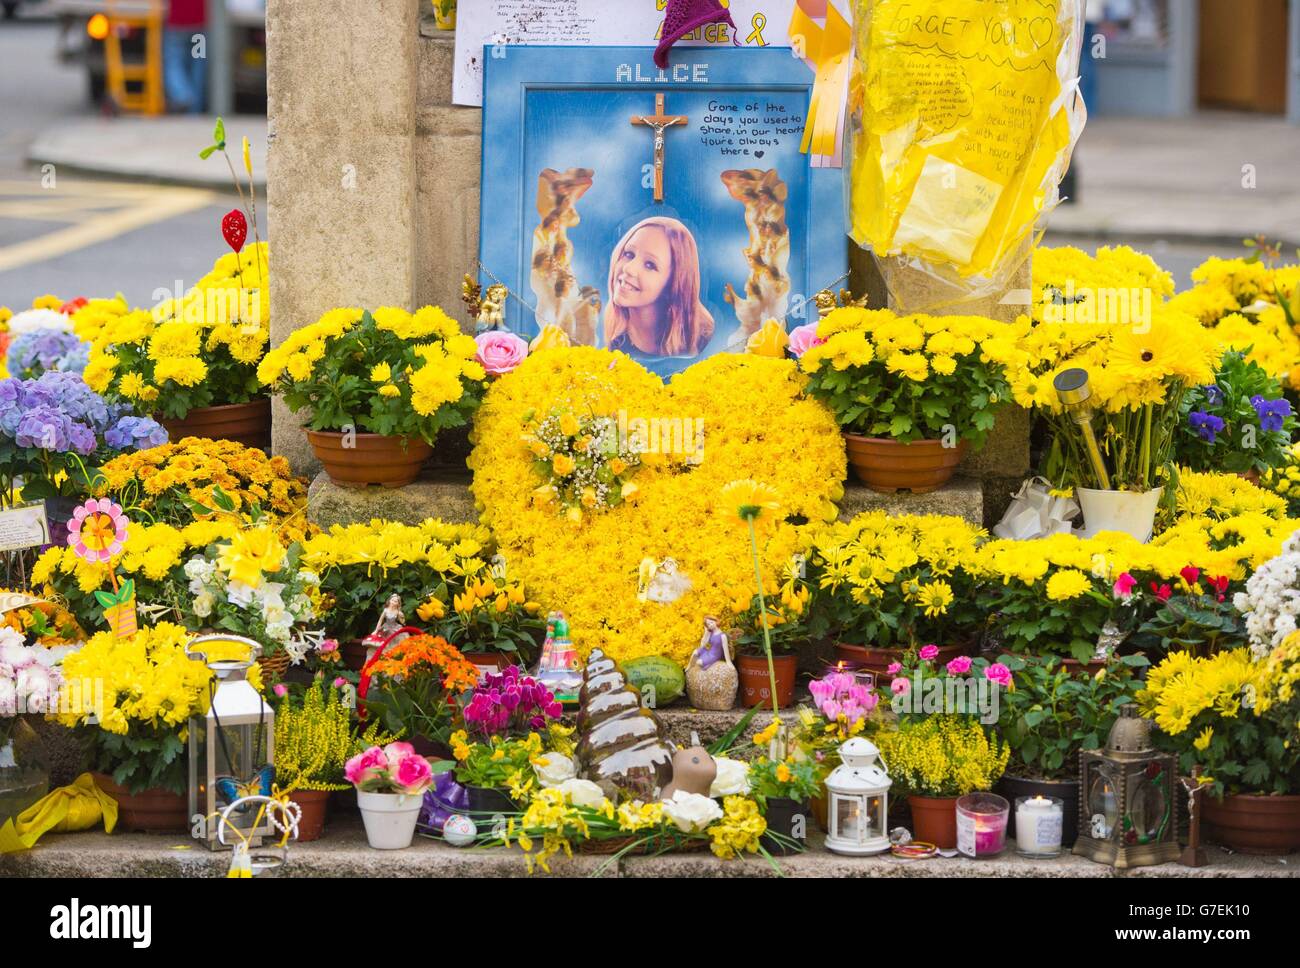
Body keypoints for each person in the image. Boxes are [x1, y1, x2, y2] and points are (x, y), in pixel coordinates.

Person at [603, 216, 714, 360]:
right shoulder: (617, 344)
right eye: (629, 254)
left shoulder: (705, 343)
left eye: (650, 265)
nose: (628, 268)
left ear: (674, 282)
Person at [164, 0, 208, 114]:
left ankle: (182, 95)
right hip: (199, 24)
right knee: (198, 66)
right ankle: (194, 110)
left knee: (174, 63)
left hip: (176, 23)